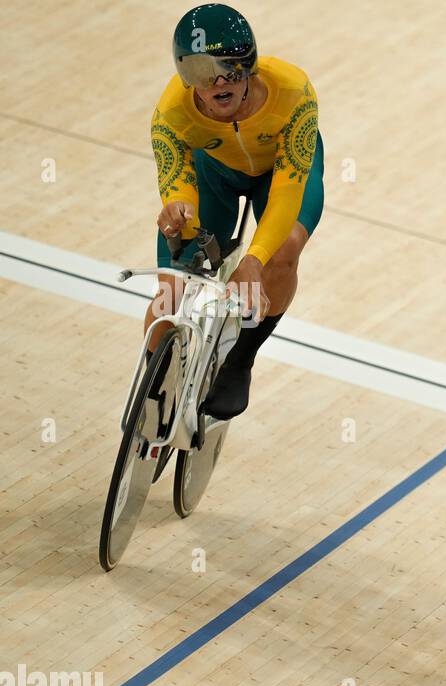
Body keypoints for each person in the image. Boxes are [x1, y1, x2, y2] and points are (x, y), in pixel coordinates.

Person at [147, 3, 323, 420]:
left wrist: (254, 260)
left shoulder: (294, 91)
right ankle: (151, 395)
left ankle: (240, 360)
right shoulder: (171, 111)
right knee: (169, 294)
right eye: (199, 75)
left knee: (283, 253)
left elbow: (286, 192)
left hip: (281, 174)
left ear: (249, 67)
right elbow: (176, 179)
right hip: (214, 174)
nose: (216, 84)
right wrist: (178, 205)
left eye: (227, 69)